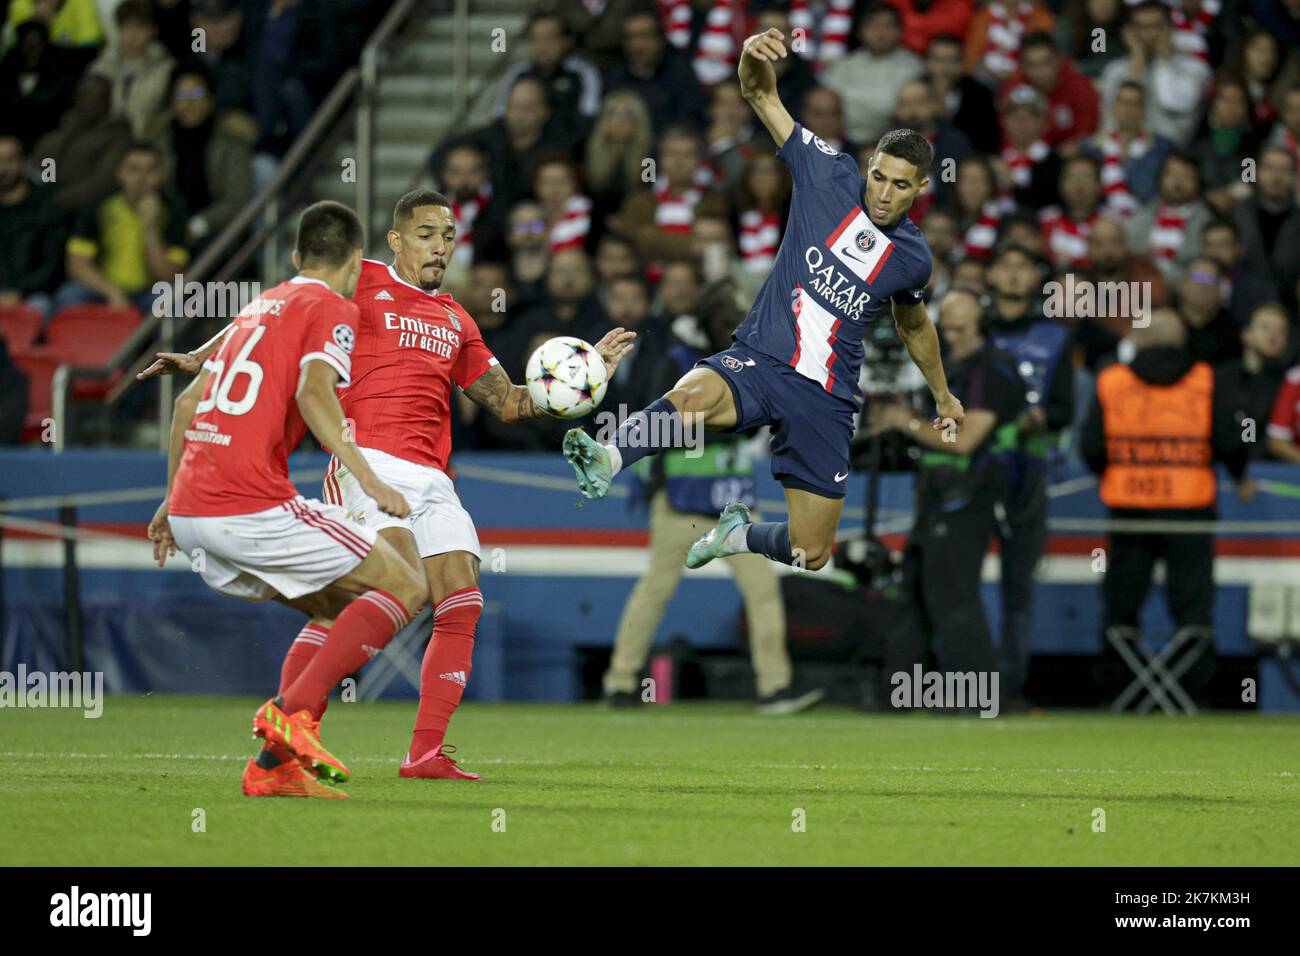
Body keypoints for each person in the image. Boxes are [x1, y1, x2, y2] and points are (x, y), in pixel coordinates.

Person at [143, 189, 637, 781]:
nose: (441, 247)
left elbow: (507, 401)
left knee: (461, 597)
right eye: (427, 234)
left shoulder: (457, 319)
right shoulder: (363, 280)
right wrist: (201, 358)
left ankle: (423, 754)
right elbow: (278, 314)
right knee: (377, 591)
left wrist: (584, 383)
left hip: (433, 477)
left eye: (449, 236)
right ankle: (289, 734)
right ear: (396, 241)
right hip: (366, 462)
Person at [563, 27, 962, 576]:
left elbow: (915, 326)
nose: (883, 192)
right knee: (694, 395)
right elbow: (760, 96)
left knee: (811, 551)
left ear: (920, 189)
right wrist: (751, 55)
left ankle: (738, 534)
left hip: (827, 398)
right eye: (878, 176)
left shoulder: (913, 258)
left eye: (899, 185)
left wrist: (942, 395)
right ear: (868, 167)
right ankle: (608, 457)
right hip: (763, 357)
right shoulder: (827, 173)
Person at [147, 201, 429, 799]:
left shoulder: (257, 307)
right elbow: (314, 391)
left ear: (297, 257)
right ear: (357, 261)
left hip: (196, 512)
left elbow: (185, 407)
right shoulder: (332, 306)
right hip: (249, 505)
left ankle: (272, 769)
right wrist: (371, 482)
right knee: (406, 586)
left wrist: (170, 503)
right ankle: (289, 710)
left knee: (337, 611)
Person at [605, 278, 822, 715]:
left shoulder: (750, 359)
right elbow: (658, 422)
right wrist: (732, 419)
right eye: (730, 320)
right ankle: (621, 682)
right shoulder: (677, 360)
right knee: (656, 590)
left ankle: (775, 688)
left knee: (761, 590)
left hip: (731, 499)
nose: (739, 326)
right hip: (680, 496)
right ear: (711, 321)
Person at [1081, 306, 1252, 699]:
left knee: (1121, 604)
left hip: (1129, 510)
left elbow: (1091, 445)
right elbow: (1233, 440)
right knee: (1192, 607)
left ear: (1141, 339)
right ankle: (1191, 690)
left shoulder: (1111, 381)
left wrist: (1113, 472)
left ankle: (1121, 690)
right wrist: (1241, 476)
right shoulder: (1207, 380)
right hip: (1190, 512)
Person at [871, 288, 1026, 691]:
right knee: (916, 594)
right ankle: (897, 693)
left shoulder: (991, 370)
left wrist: (905, 423)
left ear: (982, 326)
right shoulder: (948, 369)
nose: (951, 336)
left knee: (953, 596)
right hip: (938, 496)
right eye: (946, 328)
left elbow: (966, 439)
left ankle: (982, 696)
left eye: (959, 329)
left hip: (970, 497)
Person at [983, 244, 1074, 708]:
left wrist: (1042, 420)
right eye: (1007, 265)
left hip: (1028, 466)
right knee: (956, 578)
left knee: (1018, 583)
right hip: (971, 464)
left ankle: (1009, 687)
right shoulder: (972, 330)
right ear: (991, 274)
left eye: (1024, 267)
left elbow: (1064, 409)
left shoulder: (1055, 337)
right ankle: (962, 679)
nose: (1015, 275)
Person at [53, 141, 189, 316]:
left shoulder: (174, 210)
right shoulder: (99, 205)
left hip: (149, 293)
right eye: (133, 169)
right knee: (69, 295)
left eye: (150, 171)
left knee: (173, 299)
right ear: (120, 173)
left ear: (160, 176)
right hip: (103, 288)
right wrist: (112, 291)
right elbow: (77, 264)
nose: (141, 178)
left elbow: (170, 276)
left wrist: (151, 230)